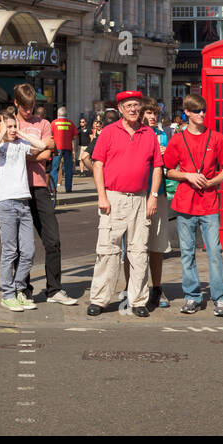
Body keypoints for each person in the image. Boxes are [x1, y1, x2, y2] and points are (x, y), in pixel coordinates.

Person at [87, 91, 163, 317]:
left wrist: (153, 195)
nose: (133, 109)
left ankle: (138, 300)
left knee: (139, 252)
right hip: (113, 197)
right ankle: (99, 299)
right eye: (128, 105)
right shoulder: (109, 132)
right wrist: (102, 195)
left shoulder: (148, 133)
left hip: (140, 198)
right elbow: (98, 165)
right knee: (107, 251)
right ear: (120, 108)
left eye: (136, 105)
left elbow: (157, 167)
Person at [163, 93, 223, 316]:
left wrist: (211, 181)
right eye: (196, 111)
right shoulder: (177, 139)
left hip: (210, 202)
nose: (201, 114)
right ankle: (192, 296)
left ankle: (220, 298)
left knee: (215, 251)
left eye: (203, 110)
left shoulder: (217, 138)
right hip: (185, 203)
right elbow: (168, 170)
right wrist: (188, 176)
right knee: (186, 252)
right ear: (187, 113)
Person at [12, 83, 77, 304]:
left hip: (40, 186)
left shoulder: (45, 123)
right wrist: (40, 149)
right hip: (17, 188)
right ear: (16, 103)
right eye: (25, 107)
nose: (29, 112)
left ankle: (54, 290)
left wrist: (30, 152)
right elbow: (13, 154)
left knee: (53, 240)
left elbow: (50, 152)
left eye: (31, 107)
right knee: (22, 245)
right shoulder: (10, 123)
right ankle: (23, 290)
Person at [0, 106, 51, 311]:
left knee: (28, 251)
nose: (13, 129)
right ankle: (7, 294)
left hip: (24, 202)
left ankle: (19, 289)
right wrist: (2, 133)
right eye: (9, 126)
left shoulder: (21, 143)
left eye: (15, 125)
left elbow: (41, 145)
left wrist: (20, 132)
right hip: (6, 203)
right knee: (10, 252)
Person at [139, 99, 171, 310]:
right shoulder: (137, 134)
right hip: (137, 193)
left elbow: (170, 164)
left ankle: (157, 287)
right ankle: (135, 288)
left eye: (155, 113)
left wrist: (164, 154)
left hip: (158, 194)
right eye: (148, 113)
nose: (152, 117)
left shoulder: (163, 136)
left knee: (157, 246)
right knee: (135, 246)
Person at [51, 107, 77, 192]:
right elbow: (75, 136)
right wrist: (75, 149)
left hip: (56, 149)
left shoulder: (54, 123)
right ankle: (68, 188)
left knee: (55, 168)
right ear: (67, 114)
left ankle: (53, 188)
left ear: (58, 114)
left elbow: (50, 136)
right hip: (68, 148)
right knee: (68, 168)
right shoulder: (70, 123)